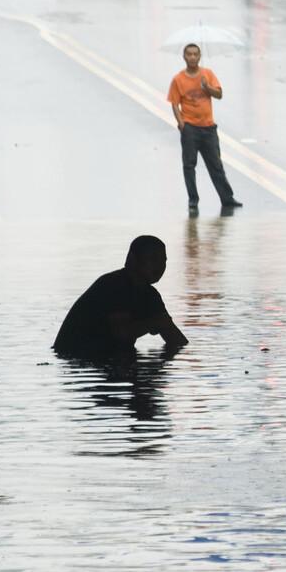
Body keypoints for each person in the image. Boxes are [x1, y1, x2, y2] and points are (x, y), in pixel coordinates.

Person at [53, 235, 189, 359]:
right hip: (77, 356)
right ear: (132, 259)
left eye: (163, 261)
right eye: (153, 259)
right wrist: (154, 323)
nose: (160, 266)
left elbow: (177, 340)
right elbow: (121, 333)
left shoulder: (150, 295)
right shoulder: (113, 285)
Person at [167, 43, 242, 217]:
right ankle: (193, 199)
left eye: (195, 54)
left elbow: (219, 94)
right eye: (189, 54)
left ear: (199, 57)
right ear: (184, 57)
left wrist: (207, 87)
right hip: (190, 128)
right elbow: (174, 103)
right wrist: (181, 124)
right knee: (189, 165)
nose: (192, 57)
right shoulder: (178, 79)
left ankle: (227, 198)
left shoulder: (207, 74)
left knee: (216, 165)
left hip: (208, 128)